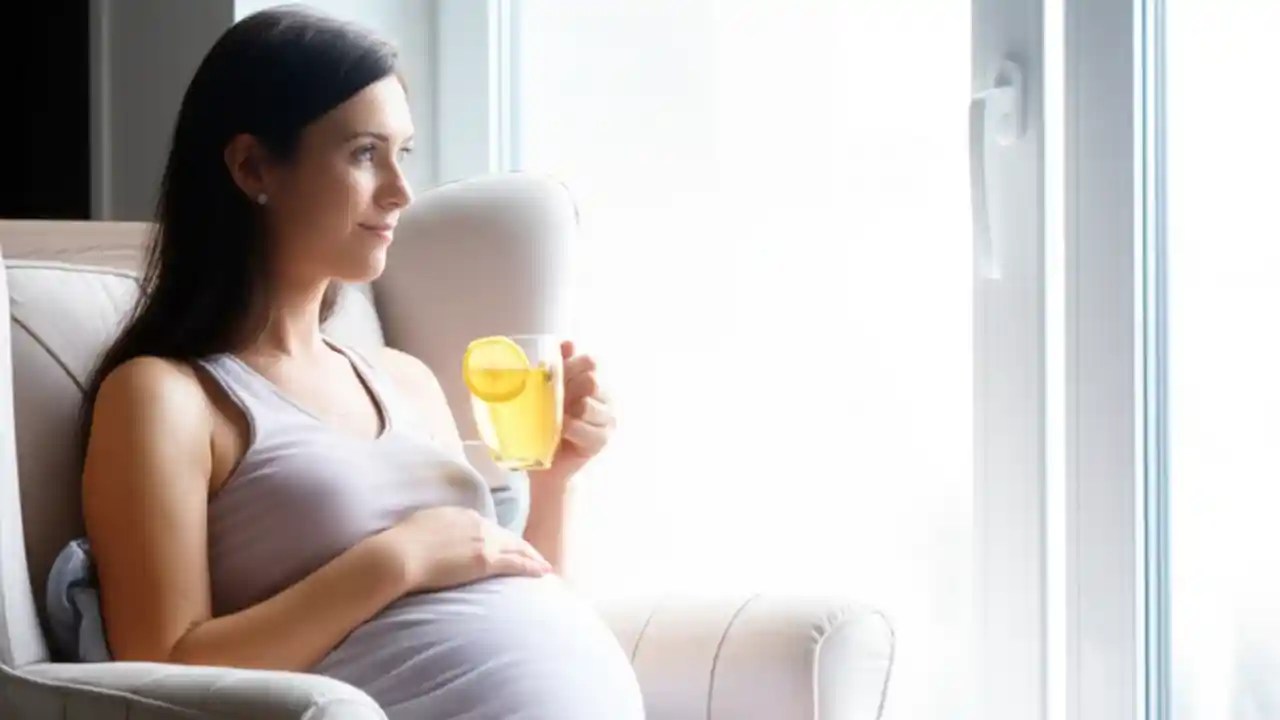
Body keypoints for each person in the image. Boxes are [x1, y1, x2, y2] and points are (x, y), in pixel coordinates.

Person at [77, 6, 644, 718]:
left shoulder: (404, 380)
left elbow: (522, 590)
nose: (401, 192)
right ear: (253, 165)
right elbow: (155, 670)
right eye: (364, 154)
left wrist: (556, 483)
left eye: (402, 154)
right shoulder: (167, 396)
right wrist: (392, 561)